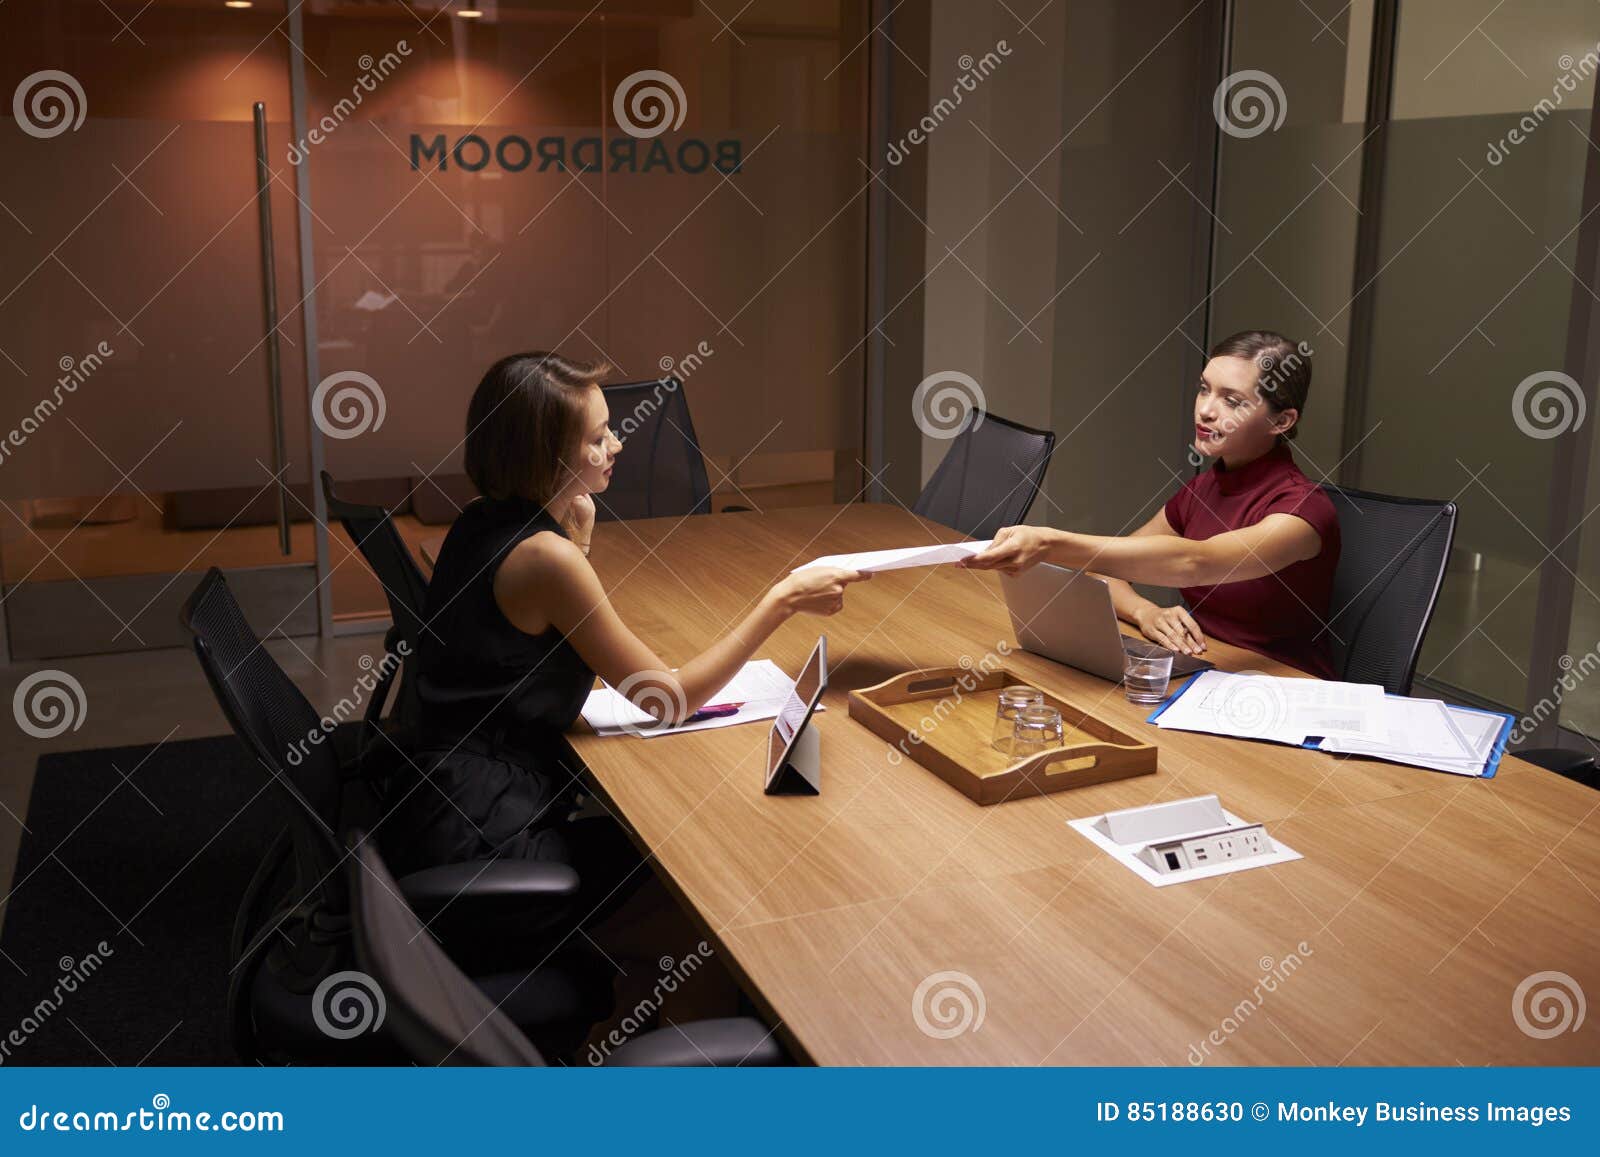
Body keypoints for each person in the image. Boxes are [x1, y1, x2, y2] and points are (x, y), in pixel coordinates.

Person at [392, 351, 868, 909]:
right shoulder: (546, 558)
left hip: (437, 790)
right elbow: (668, 702)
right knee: (698, 862)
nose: (616, 445)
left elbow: (534, 642)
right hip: (484, 827)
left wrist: (579, 543)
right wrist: (782, 599)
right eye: (596, 439)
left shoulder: (480, 517)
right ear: (545, 458)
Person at [961, 330, 1341, 678]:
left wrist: (1050, 544)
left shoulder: (1304, 511)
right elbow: (1111, 567)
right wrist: (1145, 611)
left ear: (1282, 421)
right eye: (1204, 389)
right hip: (1209, 671)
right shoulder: (1202, 490)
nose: (1206, 410)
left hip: (1286, 689)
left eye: (1232, 400)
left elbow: (1196, 563)